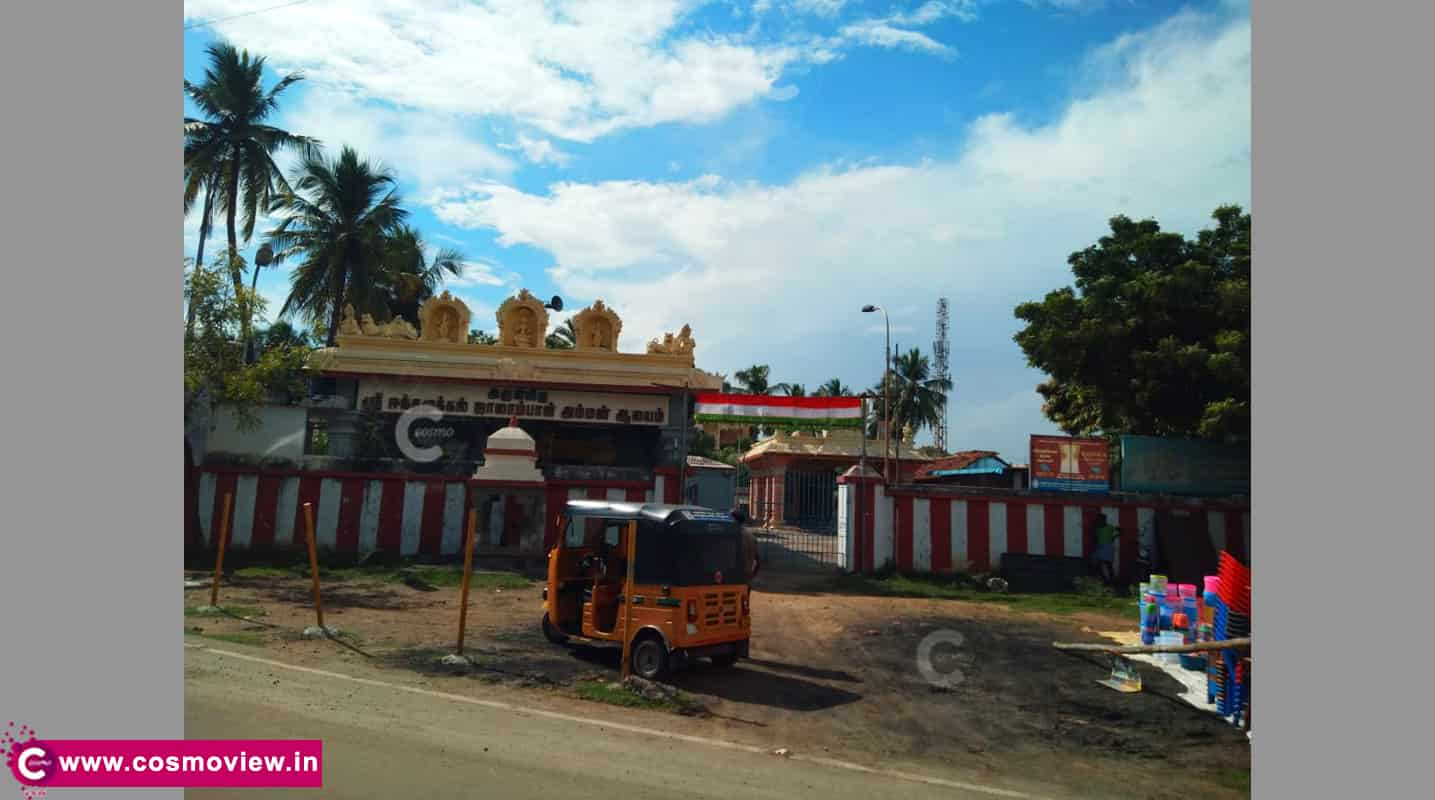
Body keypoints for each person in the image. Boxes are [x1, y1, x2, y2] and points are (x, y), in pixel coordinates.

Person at [1091, 513, 1120, 585]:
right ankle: (1106, 579)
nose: (1099, 521)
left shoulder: (1110, 527)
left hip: (1107, 547)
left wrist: (1113, 538)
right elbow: (1096, 538)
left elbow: (1120, 531)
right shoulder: (1097, 528)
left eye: (1100, 519)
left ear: (1104, 520)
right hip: (1100, 547)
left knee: (1107, 564)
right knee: (1098, 563)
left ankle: (1111, 580)